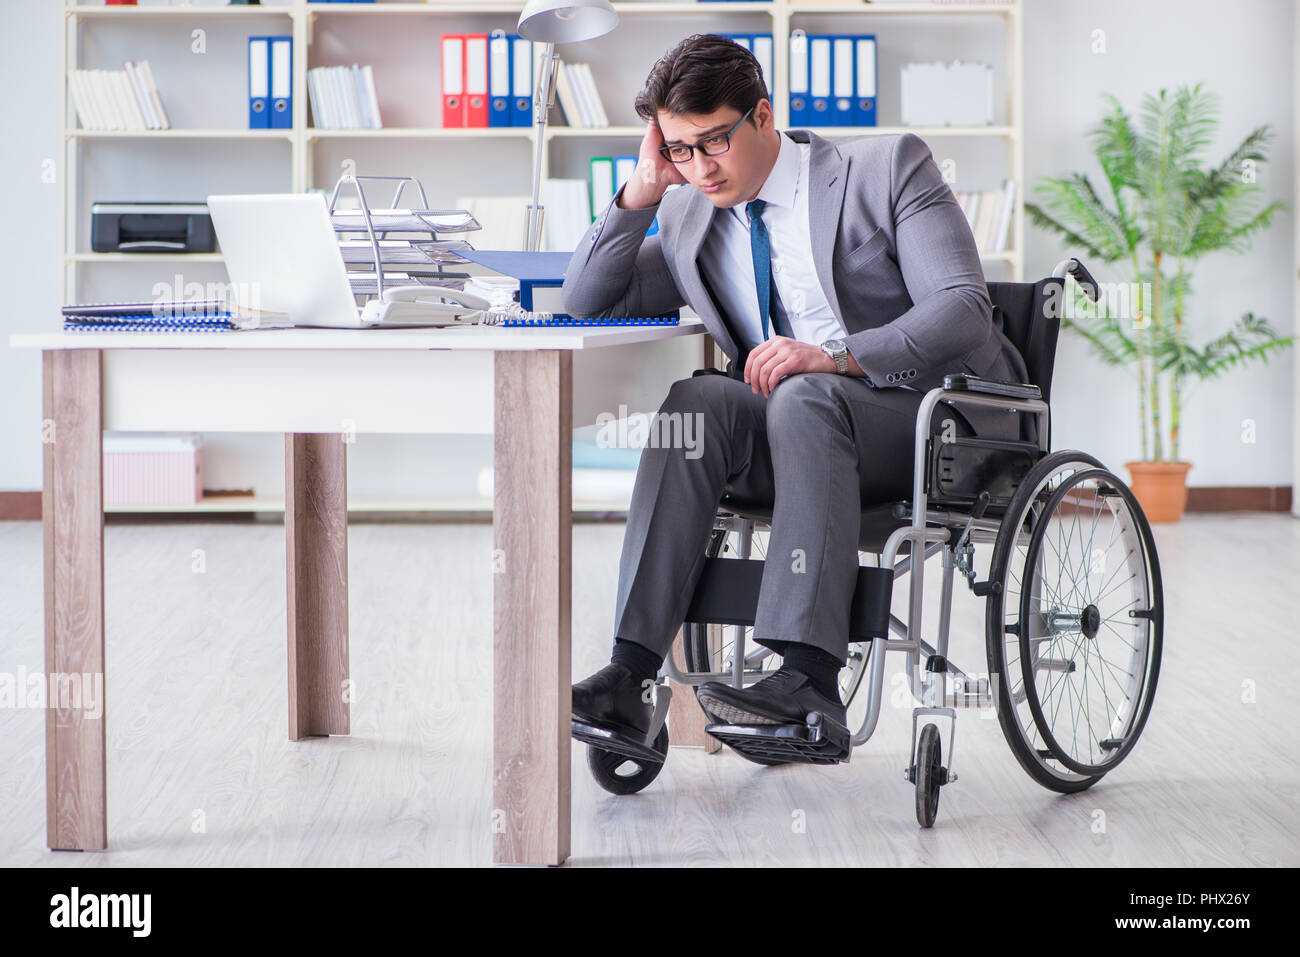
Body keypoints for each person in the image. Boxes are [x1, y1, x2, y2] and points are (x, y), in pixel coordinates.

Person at [562, 34, 1029, 755]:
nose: (700, 165)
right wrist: (641, 194)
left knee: (807, 394)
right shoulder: (688, 213)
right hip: (802, 431)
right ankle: (631, 675)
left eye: (713, 140)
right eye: (680, 148)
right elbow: (586, 303)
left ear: (762, 115)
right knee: (696, 403)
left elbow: (963, 306)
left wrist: (835, 357)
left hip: (934, 422)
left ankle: (810, 681)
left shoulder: (884, 167)